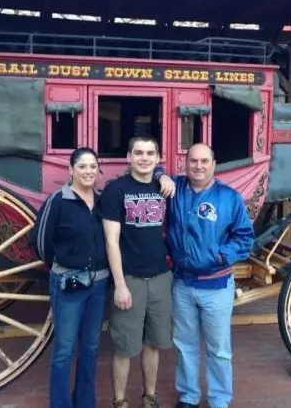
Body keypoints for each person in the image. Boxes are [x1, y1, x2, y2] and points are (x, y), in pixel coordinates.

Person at [157, 143, 254, 408]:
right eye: (193, 161)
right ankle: (188, 396)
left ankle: (219, 400)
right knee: (185, 344)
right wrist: (160, 174)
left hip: (217, 286)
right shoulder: (174, 190)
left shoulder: (229, 197)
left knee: (218, 349)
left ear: (213, 164)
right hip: (183, 284)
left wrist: (220, 256)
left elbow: (244, 238)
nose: (198, 166)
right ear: (185, 163)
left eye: (204, 161)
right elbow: (152, 169)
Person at [30, 147, 109, 408]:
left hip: (98, 284)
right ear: (71, 170)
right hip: (68, 284)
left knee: (90, 348)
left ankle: (85, 403)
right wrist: (61, 264)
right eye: (82, 166)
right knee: (64, 350)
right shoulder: (58, 200)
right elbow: (41, 242)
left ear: (98, 171)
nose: (88, 171)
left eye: (92, 167)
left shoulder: (102, 201)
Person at [100, 136, 174, 408]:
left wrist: (164, 176)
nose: (144, 157)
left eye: (150, 153)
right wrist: (119, 284)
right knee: (124, 347)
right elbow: (111, 241)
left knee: (153, 343)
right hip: (129, 278)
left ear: (158, 159)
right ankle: (119, 401)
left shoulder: (164, 187)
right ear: (129, 157)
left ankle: (149, 395)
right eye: (139, 153)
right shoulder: (115, 190)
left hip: (160, 277)